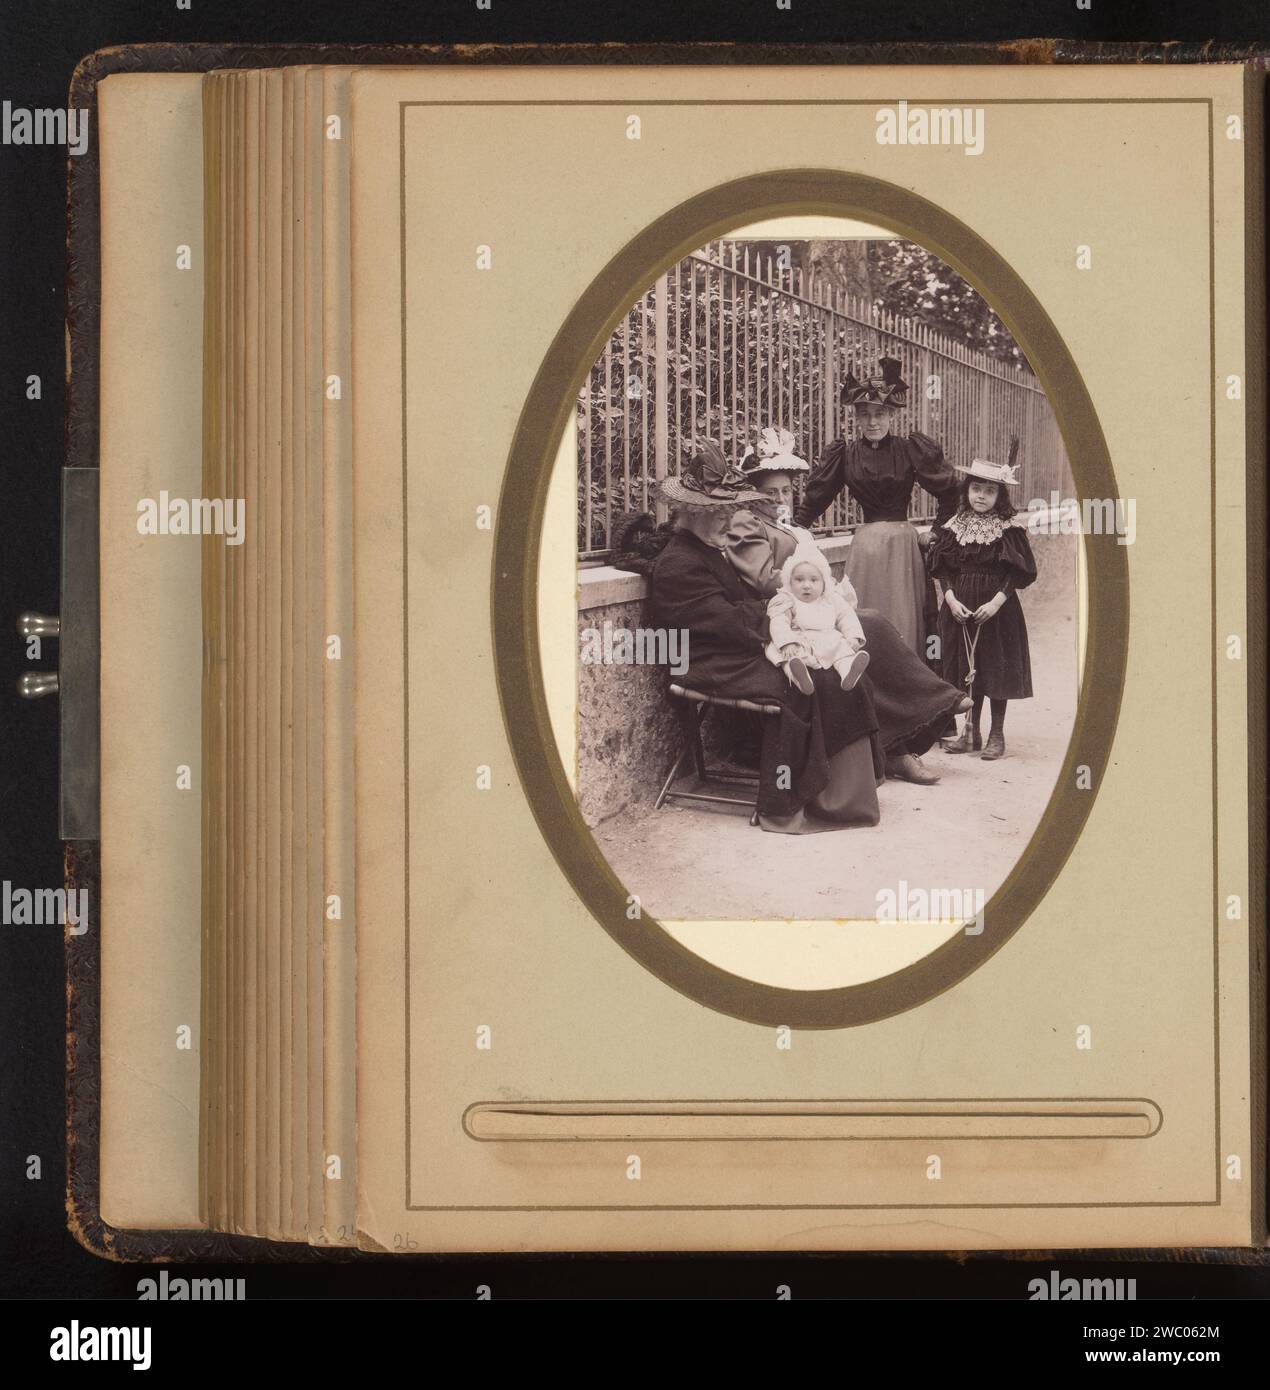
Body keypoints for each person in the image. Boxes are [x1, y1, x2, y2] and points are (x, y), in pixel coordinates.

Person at [648, 441, 882, 833]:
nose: (727, 521)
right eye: (717, 512)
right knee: (802, 683)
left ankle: (840, 795)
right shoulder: (680, 563)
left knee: (826, 670)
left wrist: (790, 620)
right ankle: (788, 801)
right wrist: (783, 619)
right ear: (689, 512)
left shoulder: (705, 548)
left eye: (728, 511)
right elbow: (727, 622)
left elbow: (739, 616)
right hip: (704, 661)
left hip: (732, 649)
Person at [726, 427, 968, 785]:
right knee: (872, 626)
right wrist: (813, 586)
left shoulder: (789, 527)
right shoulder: (746, 524)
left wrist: (829, 591)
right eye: (770, 492)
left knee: (869, 631)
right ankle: (934, 707)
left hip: (813, 611)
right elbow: (764, 579)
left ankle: (901, 744)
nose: (781, 498)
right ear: (753, 495)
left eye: (786, 491)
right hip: (784, 618)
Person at [794, 357, 958, 658]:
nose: (872, 422)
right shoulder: (845, 454)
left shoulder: (910, 449)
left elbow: (950, 492)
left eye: (879, 414)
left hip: (902, 547)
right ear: (856, 417)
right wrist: (793, 531)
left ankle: (906, 683)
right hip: (865, 547)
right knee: (862, 615)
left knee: (902, 616)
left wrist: (936, 532)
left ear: (891, 415)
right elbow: (818, 497)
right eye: (865, 414)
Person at [926, 452, 1037, 761]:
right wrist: (950, 599)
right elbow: (941, 568)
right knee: (965, 667)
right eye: (976, 489)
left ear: (1000, 495)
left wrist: (996, 602)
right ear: (967, 490)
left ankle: (996, 734)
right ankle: (969, 731)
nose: (981, 496)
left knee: (994, 667)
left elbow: (1018, 572)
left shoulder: (1007, 528)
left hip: (996, 609)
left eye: (990, 491)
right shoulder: (954, 525)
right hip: (960, 606)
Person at [765, 540, 869, 695]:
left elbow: (846, 616)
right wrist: (787, 642)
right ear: (789, 582)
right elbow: (779, 622)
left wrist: (853, 636)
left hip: (826, 638)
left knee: (841, 649)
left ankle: (848, 671)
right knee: (789, 657)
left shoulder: (831, 598)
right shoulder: (787, 599)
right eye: (799, 580)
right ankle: (799, 677)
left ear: (824, 582)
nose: (806, 585)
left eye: (814, 580)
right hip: (798, 640)